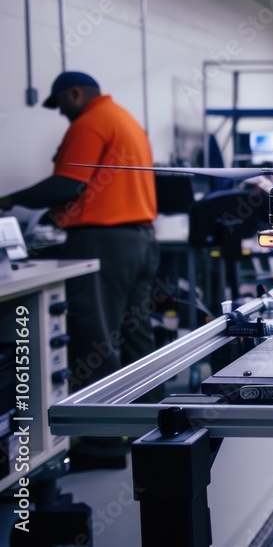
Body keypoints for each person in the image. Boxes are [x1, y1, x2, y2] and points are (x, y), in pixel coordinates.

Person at [0, 72, 159, 469]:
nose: (64, 116)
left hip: (101, 242)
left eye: (62, 105)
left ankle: (104, 447)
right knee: (135, 335)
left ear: (75, 94)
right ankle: (153, 433)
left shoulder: (90, 121)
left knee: (96, 336)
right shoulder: (126, 120)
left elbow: (68, 184)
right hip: (140, 240)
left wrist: (9, 199)